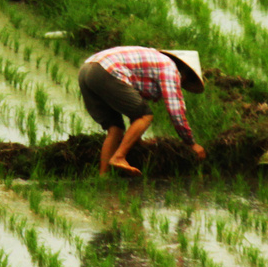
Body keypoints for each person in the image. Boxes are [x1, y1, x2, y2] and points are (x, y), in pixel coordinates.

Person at [78, 45, 208, 177]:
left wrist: (137, 140)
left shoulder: (155, 63)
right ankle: (119, 157)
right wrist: (191, 143)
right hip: (106, 70)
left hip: (86, 70)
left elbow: (132, 106)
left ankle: (104, 177)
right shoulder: (170, 69)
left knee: (115, 128)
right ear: (184, 77)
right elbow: (176, 112)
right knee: (145, 115)